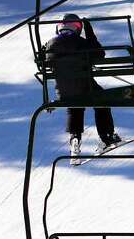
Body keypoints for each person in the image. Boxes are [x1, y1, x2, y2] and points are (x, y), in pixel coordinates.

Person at [42, 13, 122, 158]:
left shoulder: (50, 44)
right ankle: (106, 137)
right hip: (87, 88)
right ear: (78, 29)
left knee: (75, 105)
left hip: (64, 91)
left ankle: (75, 140)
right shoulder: (82, 42)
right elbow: (99, 54)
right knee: (102, 99)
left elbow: (45, 60)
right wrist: (90, 34)